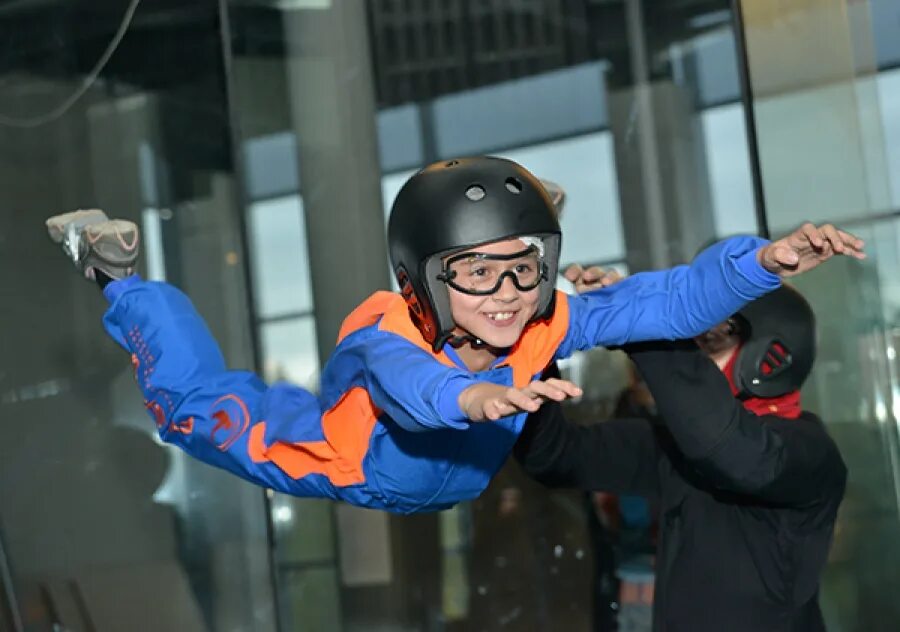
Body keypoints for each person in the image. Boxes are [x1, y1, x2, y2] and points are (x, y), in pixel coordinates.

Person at [45, 156, 863, 515]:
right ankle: (118, 276)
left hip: (463, 472)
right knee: (190, 408)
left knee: (592, 302)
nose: (508, 298)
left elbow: (670, 300)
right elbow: (407, 385)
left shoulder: (547, 315)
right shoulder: (384, 324)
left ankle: (513, 230)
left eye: (525, 265)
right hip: (347, 457)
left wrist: (761, 262)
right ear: (423, 279)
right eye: (477, 274)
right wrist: (474, 394)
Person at [515, 264, 849, 631]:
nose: (696, 355)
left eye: (711, 340)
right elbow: (555, 455)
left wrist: (642, 319)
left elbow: (731, 449)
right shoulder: (676, 445)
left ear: (769, 357)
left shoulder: (808, 451)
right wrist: (527, 350)